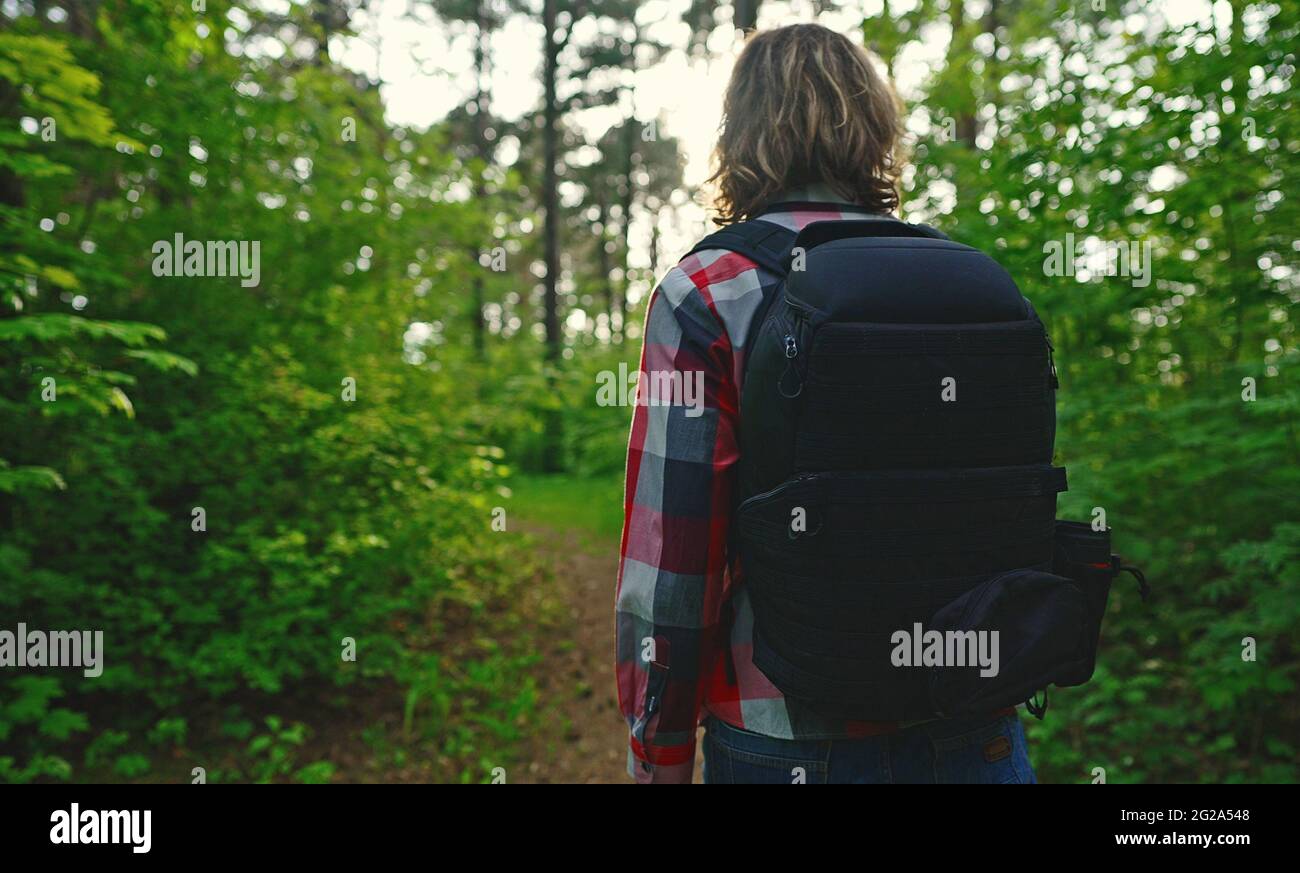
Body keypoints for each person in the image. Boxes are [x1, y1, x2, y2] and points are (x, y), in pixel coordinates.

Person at [614, 23, 1036, 784]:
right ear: (874, 124)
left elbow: (674, 560)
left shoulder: (707, 291)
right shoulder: (968, 280)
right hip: (974, 720)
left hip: (784, 731)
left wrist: (660, 747)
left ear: (740, 131)